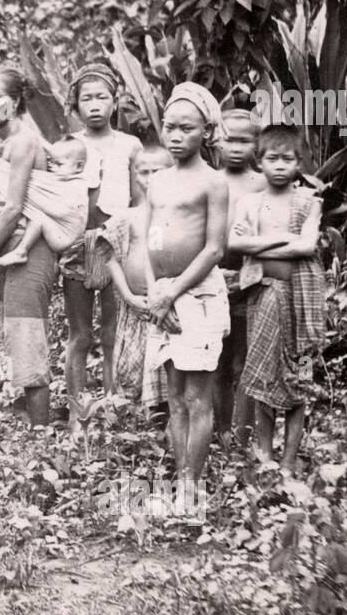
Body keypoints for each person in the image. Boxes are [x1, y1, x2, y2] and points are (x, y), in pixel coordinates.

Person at [142, 82, 231, 483]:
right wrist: (155, 295)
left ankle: (190, 488)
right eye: (169, 127)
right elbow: (147, 243)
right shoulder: (158, 181)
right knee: (175, 399)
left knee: (197, 398)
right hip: (164, 300)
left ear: (207, 133)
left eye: (187, 129)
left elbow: (214, 249)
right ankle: (181, 479)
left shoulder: (213, 182)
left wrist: (173, 293)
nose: (175, 136)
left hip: (197, 298)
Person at [229, 125, 326, 473]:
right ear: (260, 161)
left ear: (299, 163)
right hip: (263, 297)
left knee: (300, 382)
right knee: (263, 377)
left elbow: (307, 246)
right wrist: (284, 237)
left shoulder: (308, 202)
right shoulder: (250, 202)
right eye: (273, 158)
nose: (280, 166)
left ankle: (288, 461)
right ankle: (266, 457)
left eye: (288, 159)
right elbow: (235, 244)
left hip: (301, 305)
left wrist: (263, 238)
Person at [0, 63, 56, 426]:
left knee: (26, 332)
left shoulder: (23, 141)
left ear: (16, 100)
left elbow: (14, 206)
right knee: (15, 334)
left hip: (27, 248)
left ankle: (41, 435)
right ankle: (30, 422)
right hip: (10, 245)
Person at [62, 62, 143, 414]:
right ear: (74, 105)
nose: (94, 105)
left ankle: (112, 403)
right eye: (86, 98)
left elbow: (140, 200)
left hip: (116, 245)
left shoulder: (130, 145)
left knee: (112, 330)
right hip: (78, 244)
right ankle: (77, 409)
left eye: (102, 97)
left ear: (115, 101)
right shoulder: (66, 145)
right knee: (80, 333)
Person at [96, 144, 174, 410]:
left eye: (158, 172)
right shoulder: (129, 216)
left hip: (167, 308)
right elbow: (110, 257)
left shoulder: (181, 216)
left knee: (168, 376)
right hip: (134, 308)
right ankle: (133, 433)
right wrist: (128, 296)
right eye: (144, 172)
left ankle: (163, 433)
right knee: (131, 373)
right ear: (135, 175)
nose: (150, 179)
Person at [214, 108, 268, 443]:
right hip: (213, 281)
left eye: (244, 141)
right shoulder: (208, 179)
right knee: (217, 361)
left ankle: (243, 431)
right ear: (216, 140)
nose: (235, 147)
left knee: (246, 362)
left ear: (257, 144)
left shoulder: (263, 183)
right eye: (229, 139)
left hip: (252, 281)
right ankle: (221, 429)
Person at [0, 133, 89, 266]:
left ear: (78, 167)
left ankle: (21, 251)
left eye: (58, 164)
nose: (52, 167)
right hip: (62, 236)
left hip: (64, 238)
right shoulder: (67, 177)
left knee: (38, 218)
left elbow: (63, 210)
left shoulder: (77, 185)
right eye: (50, 162)